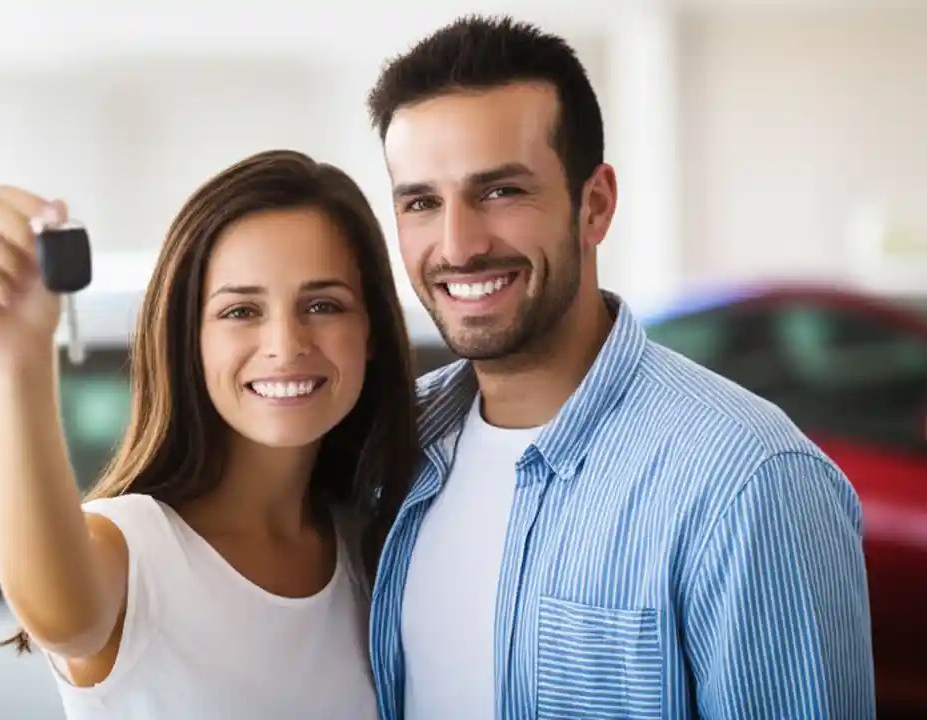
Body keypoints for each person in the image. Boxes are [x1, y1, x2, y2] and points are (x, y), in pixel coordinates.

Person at [363, 14, 876, 720]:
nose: (458, 245)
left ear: (594, 204)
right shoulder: (388, 447)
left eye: (501, 192)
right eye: (421, 202)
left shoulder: (747, 480)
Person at [0, 150, 418, 718]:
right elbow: (59, 615)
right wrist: (16, 364)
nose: (286, 345)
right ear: (189, 338)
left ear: (373, 333)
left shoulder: (373, 550)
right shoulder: (134, 549)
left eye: (323, 304)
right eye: (241, 311)